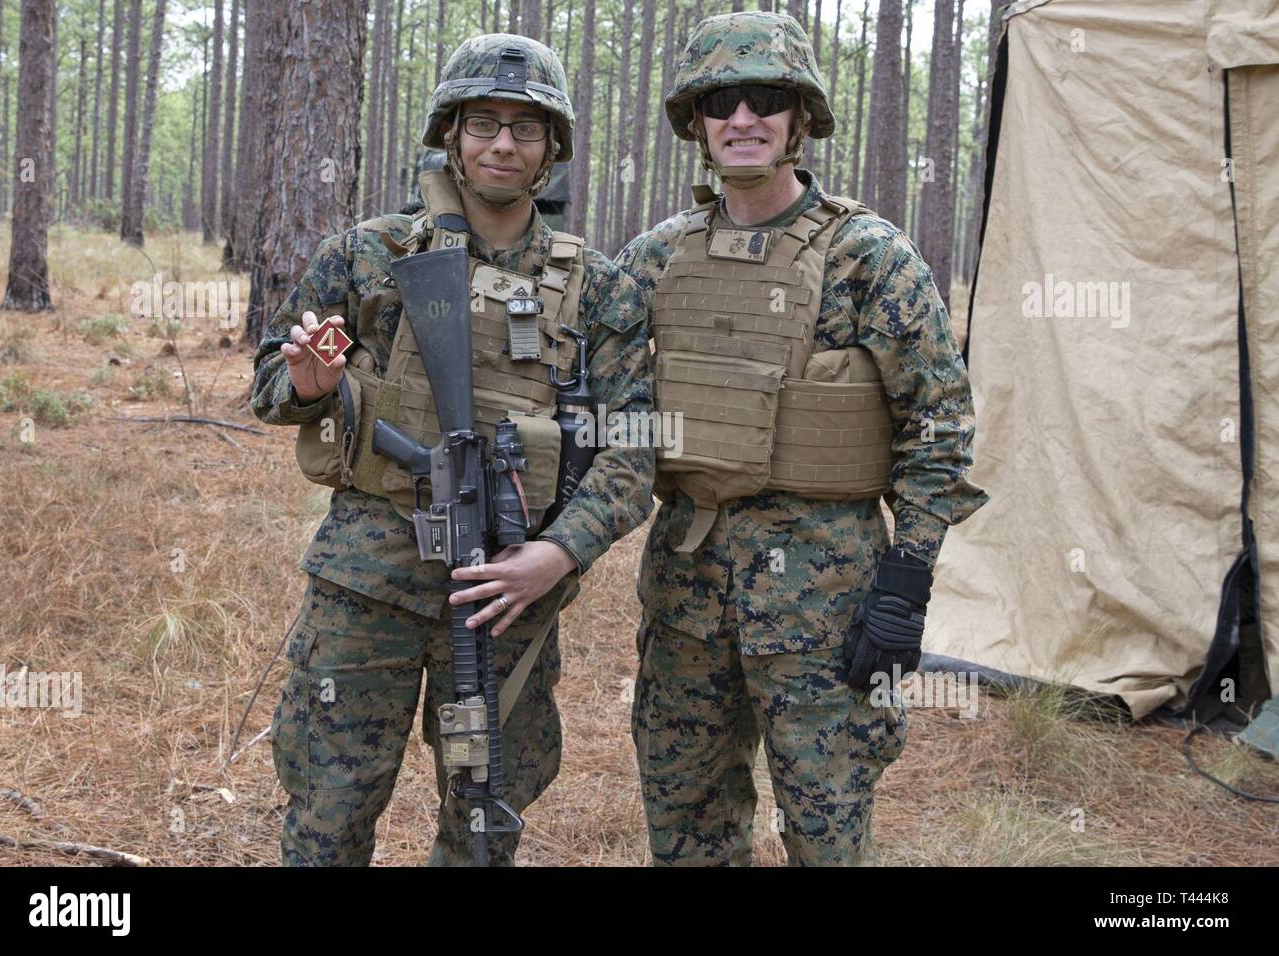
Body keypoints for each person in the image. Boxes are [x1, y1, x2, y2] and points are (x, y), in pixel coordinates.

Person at [250, 34, 654, 866]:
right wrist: (311, 385)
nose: (503, 143)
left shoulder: (599, 286)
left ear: (552, 150)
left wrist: (556, 553)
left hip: (506, 595)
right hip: (368, 586)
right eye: (483, 123)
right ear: (451, 135)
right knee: (327, 813)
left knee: (482, 821)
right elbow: (268, 385)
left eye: (526, 128)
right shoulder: (369, 253)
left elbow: (633, 449)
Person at [615, 10, 988, 866]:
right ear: (695, 123)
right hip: (687, 596)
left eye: (766, 98)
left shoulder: (871, 258)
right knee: (686, 830)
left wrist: (905, 585)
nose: (742, 119)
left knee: (826, 835)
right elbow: (588, 397)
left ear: (801, 117)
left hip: (826, 606)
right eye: (720, 102)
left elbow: (938, 427)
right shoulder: (655, 259)